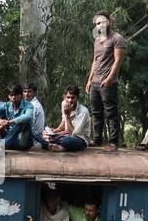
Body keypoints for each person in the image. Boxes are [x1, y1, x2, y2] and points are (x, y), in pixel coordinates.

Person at [86, 11, 127, 149]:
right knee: (96, 112)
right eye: (98, 23)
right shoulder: (97, 40)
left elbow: (118, 60)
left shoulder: (117, 38)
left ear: (109, 22)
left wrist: (110, 78)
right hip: (95, 82)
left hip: (108, 82)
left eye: (103, 22)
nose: (101, 25)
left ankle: (113, 142)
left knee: (111, 112)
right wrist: (89, 80)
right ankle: (97, 139)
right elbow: (95, 61)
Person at [39, 85, 91, 152]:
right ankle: (59, 147)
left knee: (66, 141)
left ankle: (58, 146)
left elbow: (73, 134)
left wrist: (67, 115)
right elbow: (64, 121)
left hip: (80, 139)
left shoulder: (83, 111)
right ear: (64, 97)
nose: (70, 100)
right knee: (40, 134)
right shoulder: (64, 103)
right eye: (68, 97)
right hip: (65, 135)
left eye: (73, 98)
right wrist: (56, 130)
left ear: (77, 98)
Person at [0, 83, 34, 150]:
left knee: (22, 122)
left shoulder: (28, 105)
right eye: (11, 95)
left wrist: (10, 122)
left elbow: (28, 116)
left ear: (21, 95)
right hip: (9, 140)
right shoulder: (7, 105)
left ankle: (2, 146)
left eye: (16, 95)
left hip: (22, 141)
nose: (13, 97)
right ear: (8, 96)